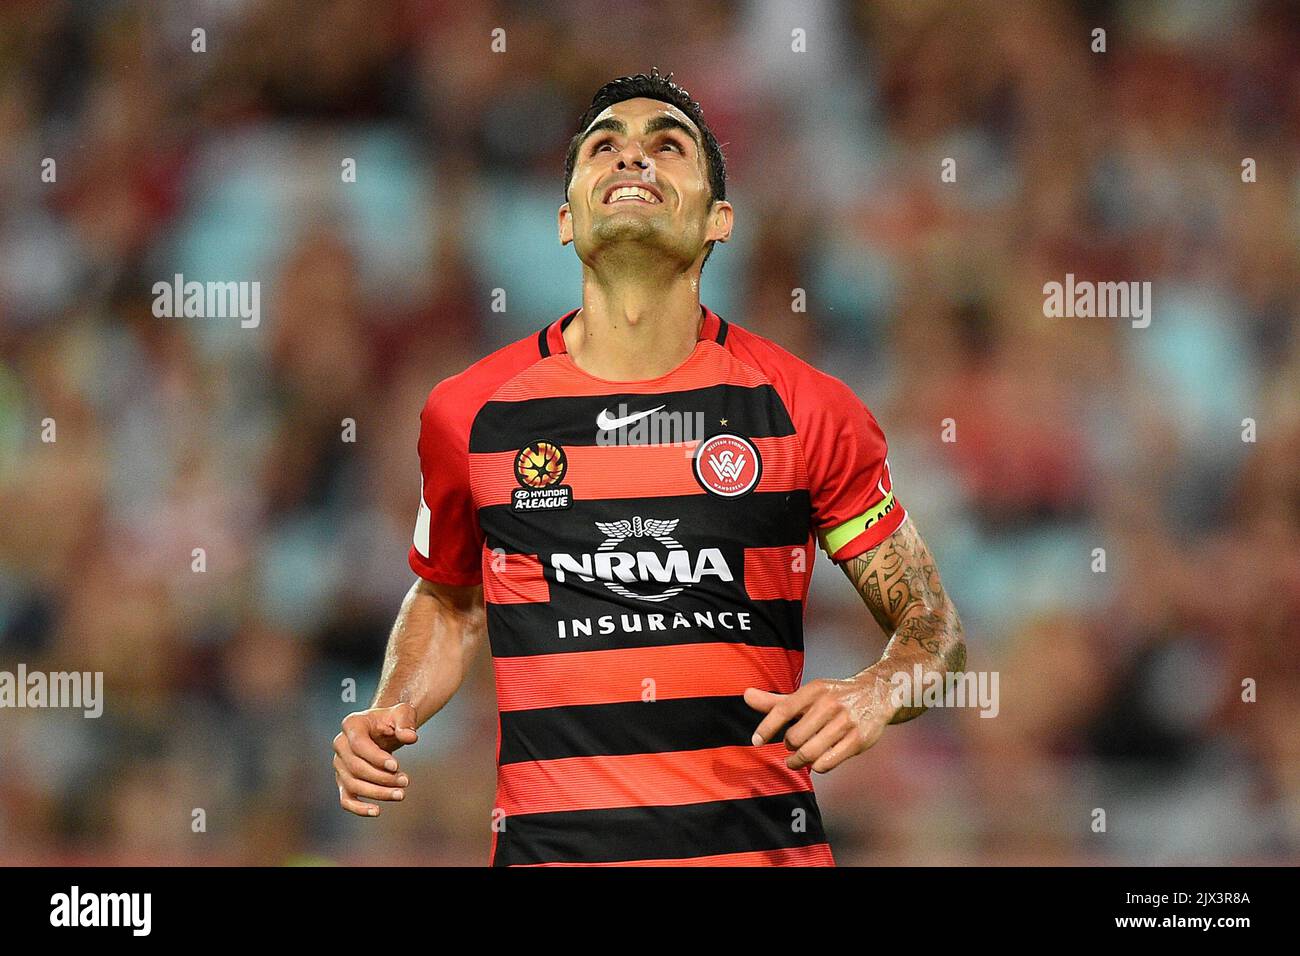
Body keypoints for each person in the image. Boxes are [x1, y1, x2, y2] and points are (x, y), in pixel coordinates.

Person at [333, 68, 965, 866]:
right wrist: (391, 706)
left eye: (668, 146)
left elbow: (935, 628)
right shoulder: (468, 414)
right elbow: (451, 601)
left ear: (718, 220)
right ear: (566, 219)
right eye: (605, 146)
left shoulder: (807, 410)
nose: (633, 159)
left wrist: (877, 689)